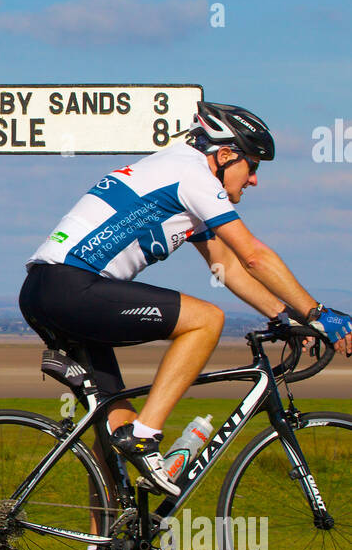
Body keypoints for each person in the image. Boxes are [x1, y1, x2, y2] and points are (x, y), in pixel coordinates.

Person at [19, 101, 352, 507]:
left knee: (113, 429)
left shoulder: (175, 172)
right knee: (206, 320)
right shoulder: (192, 174)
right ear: (225, 155)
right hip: (72, 287)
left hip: (45, 291)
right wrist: (317, 314)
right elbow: (253, 256)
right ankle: (146, 437)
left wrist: (283, 316)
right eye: (253, 166)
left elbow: (226, 265)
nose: (254, 180)